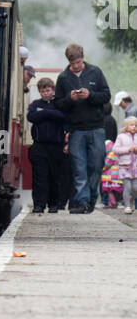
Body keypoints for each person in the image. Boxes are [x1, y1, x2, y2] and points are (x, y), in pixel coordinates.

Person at [53, 43, 111, 213]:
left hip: (96, 127)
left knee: (97, 164)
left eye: (78, 62)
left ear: (83, 58)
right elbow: (58, 104)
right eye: (73, 64)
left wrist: (90, 95)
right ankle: (83, 202)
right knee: (79, 168)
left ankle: (92, 198)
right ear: (69, 62)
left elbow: (106, 95)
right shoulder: (63, 78)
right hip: (76, 129)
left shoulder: (96, 72)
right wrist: (70, 99)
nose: (76, 66)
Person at [26, 78, 68, 213]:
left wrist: (45, 113)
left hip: (56, 145)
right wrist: (48, 113)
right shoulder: (35, 104)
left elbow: (63, 116)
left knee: (54, 177)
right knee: (40, 177)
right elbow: (31, 117)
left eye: (48, 90)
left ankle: (54, 204)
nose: (45, 93)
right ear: (39, 92)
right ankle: (39, 204)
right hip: (39, 145)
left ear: (53, 90)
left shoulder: (59, 104)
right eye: (42, 91)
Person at [112, 117, 137, 214]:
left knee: (135, 188)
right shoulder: (121, 137)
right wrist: (128, 149)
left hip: (135, 168)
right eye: (131, 125)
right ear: (126, 127)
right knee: (127, 187)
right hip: (125, 166)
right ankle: (126, 206)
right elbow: (115, 149)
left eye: (135, 125)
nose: (134, 127)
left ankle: (131, 201)